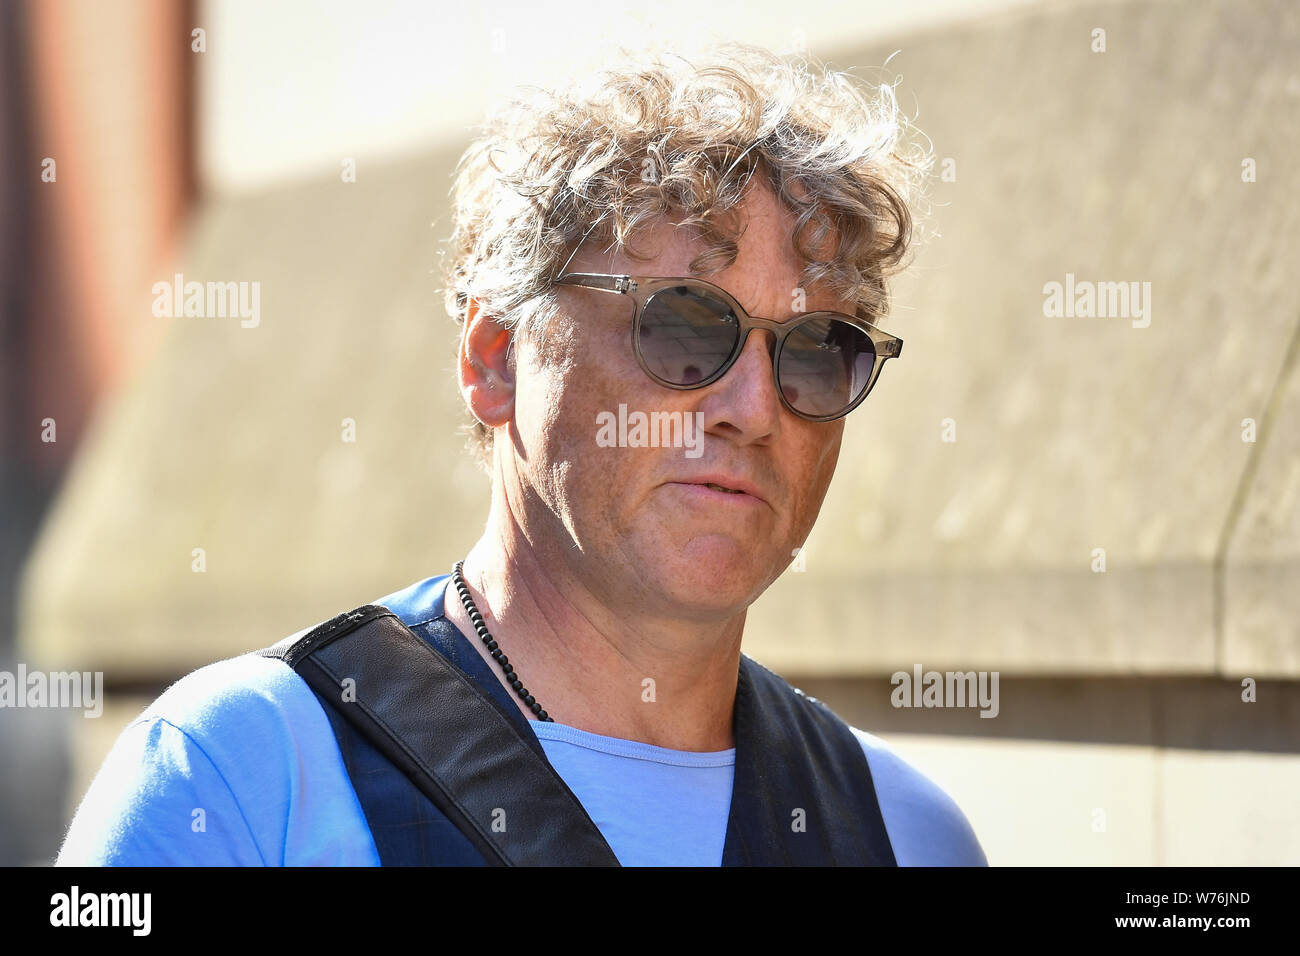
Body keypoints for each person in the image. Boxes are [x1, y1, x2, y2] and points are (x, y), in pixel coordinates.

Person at [56, 42, 986, 866]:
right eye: (685, 327)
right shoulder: (243, 780)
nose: (752, 408)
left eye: (819, 348)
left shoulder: (906, 836)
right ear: (493, 357)